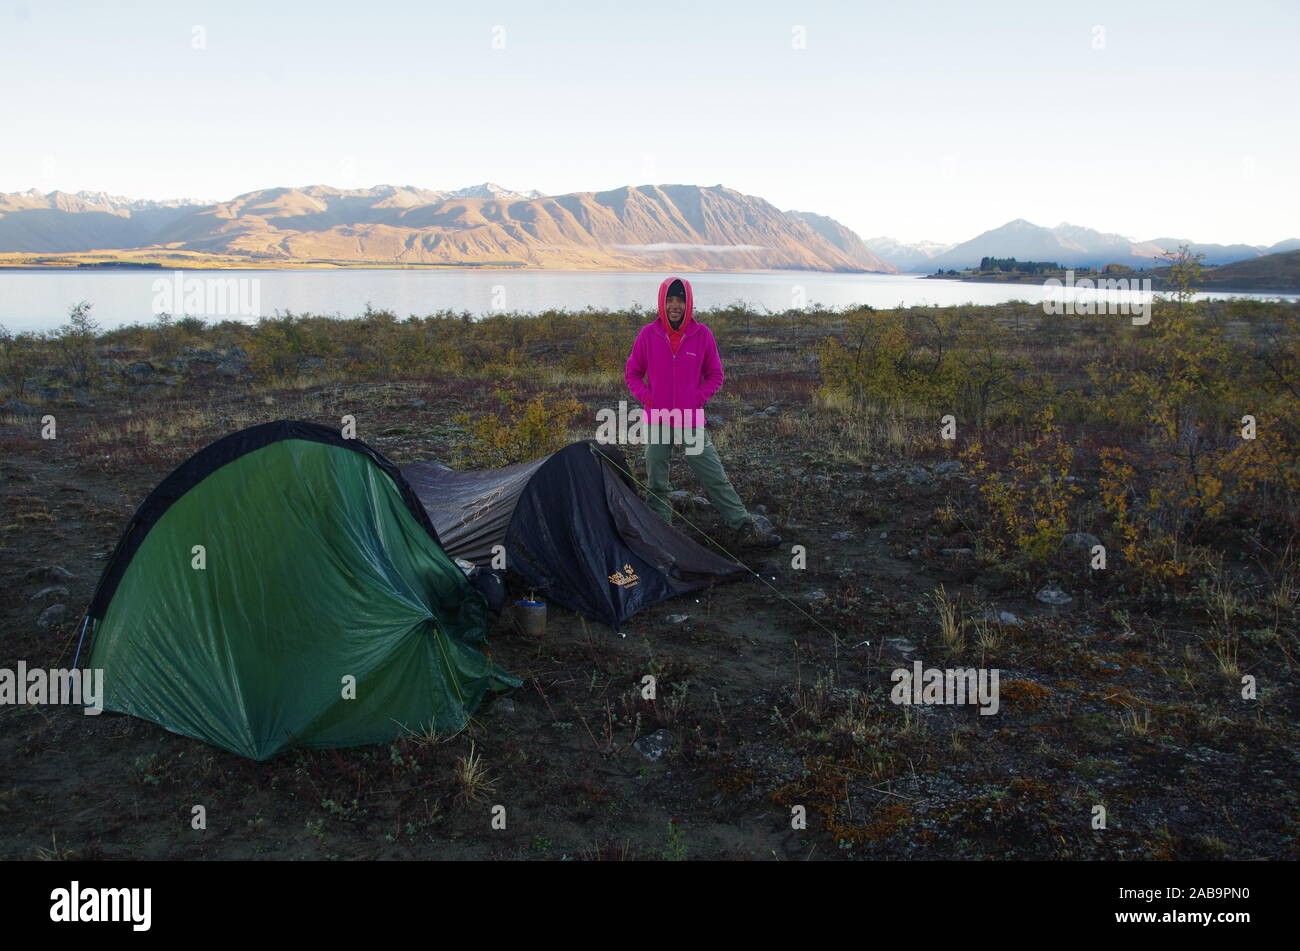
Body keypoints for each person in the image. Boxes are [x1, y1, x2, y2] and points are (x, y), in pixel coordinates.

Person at [624, 276, 780, 550]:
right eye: (669, 300)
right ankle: (660, 534)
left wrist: (696, 398)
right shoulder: (648, 335)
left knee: (713, 474)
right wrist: (649, 398)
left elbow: (715, 375)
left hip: (689, 418)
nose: (675, 306)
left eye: (680, 300)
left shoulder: (702, 335)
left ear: (688, 303)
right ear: (662, 302)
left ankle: (743, 525)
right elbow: (632, 373)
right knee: (656, 479)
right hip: (657, 419)